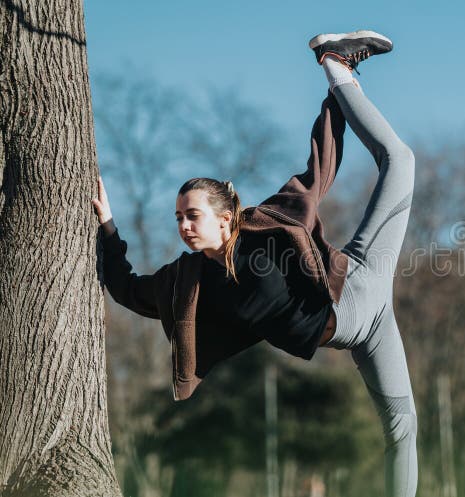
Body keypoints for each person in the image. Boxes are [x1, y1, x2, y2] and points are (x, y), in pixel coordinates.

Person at [91, 30, 417, 497]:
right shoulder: (187, 282)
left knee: (399, 159)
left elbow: (319, 168)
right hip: (361, 331)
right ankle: (339, 70)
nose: (183, 225)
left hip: (361, 284)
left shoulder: (262, 227)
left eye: (193, 215)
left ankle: (337, 67)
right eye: (178, 218)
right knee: (402, 429)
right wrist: (108, 228)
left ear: (225, 218)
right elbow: (126, 290)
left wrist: (334, 100)